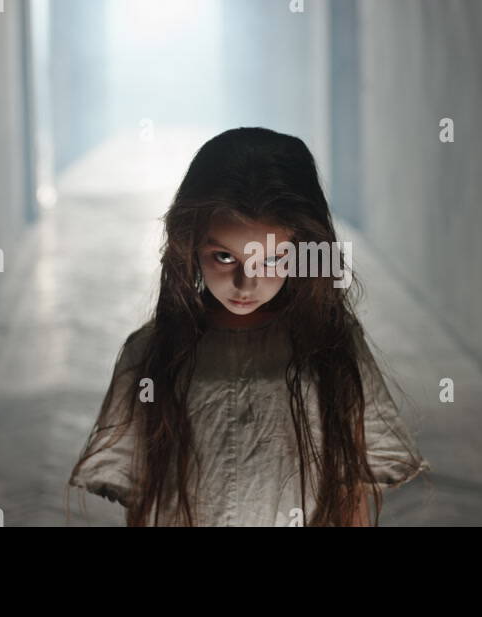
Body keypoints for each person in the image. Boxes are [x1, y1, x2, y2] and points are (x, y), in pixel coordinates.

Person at [67, 127, 429, 526]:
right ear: (189, 245)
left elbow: (352, 488)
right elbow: (142, 495)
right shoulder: (151, 352)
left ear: (305, 249)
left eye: (271, 260)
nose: (246, 283)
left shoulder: (330, 345)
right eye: (224, 256)